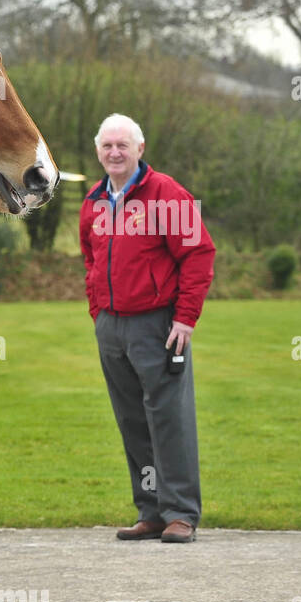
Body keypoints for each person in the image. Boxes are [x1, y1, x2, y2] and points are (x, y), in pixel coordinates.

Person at [79, 114, 216, 544]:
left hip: (158, 325)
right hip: (111, 327)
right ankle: (151, 510)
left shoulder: (165, 194)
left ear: (140, 149)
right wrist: (97, 310)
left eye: (123, 145)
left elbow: (199, 254)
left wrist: (185, 318)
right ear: (99, 152)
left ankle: (180, 513)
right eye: (107, 146)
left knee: (169, 418)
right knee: (132, 421)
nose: (115, 153)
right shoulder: (94, 201)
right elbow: (90, 259)